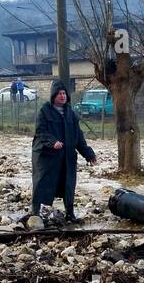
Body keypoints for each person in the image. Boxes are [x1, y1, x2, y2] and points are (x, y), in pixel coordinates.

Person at [31, 80, 96, 222]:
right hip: (47, 157)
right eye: (59, 93)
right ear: (53, 95)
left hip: (66, 156)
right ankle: (39, 215)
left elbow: (78, 136)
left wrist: (88, 153)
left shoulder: (70, 113)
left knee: (68, 183)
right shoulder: (44, 111)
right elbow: (40, 132)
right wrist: (52, 142)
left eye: (64, 93)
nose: (62, 96)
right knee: (45, 184)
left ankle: (70, 214)